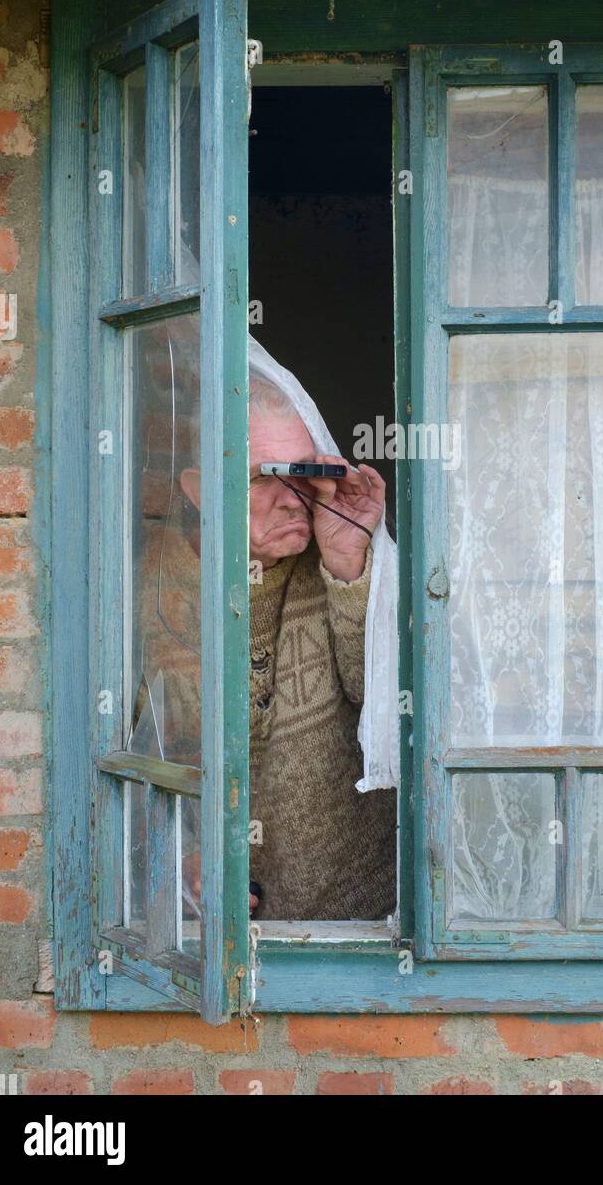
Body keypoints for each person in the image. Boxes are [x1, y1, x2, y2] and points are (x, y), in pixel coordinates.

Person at [179, 375, 397, 921]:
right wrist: (172, 860)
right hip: (198, 945)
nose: (291, 499)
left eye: (302, 474)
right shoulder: (147, 599)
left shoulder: (341, 567)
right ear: (201, 489)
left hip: (355, 929)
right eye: (264, 477)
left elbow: (391, 710)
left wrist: (348, 564)